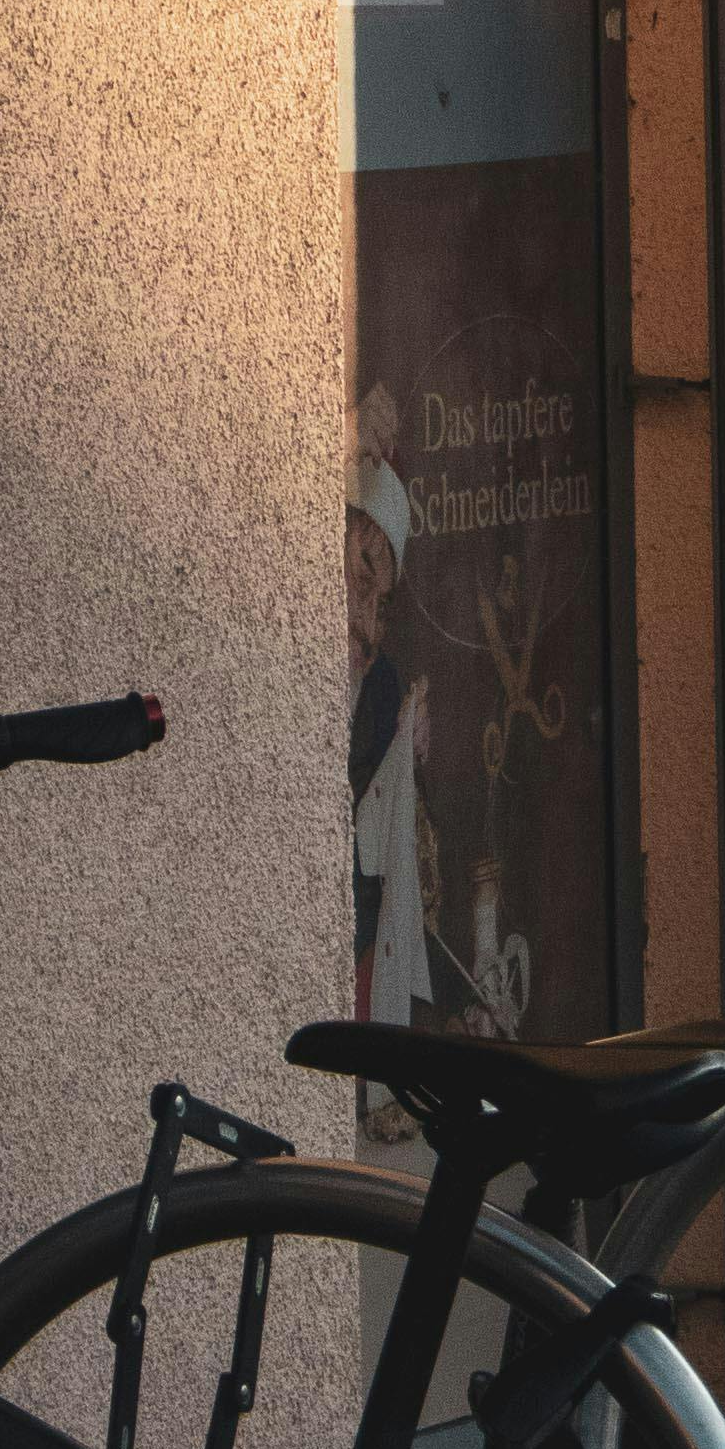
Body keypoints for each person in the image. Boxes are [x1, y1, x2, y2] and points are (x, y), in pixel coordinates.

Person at [345, 399, 431, 1048]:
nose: (368, 618)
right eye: (363, 570)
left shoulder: (381, 688)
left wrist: (408, 759)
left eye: (384, 604)